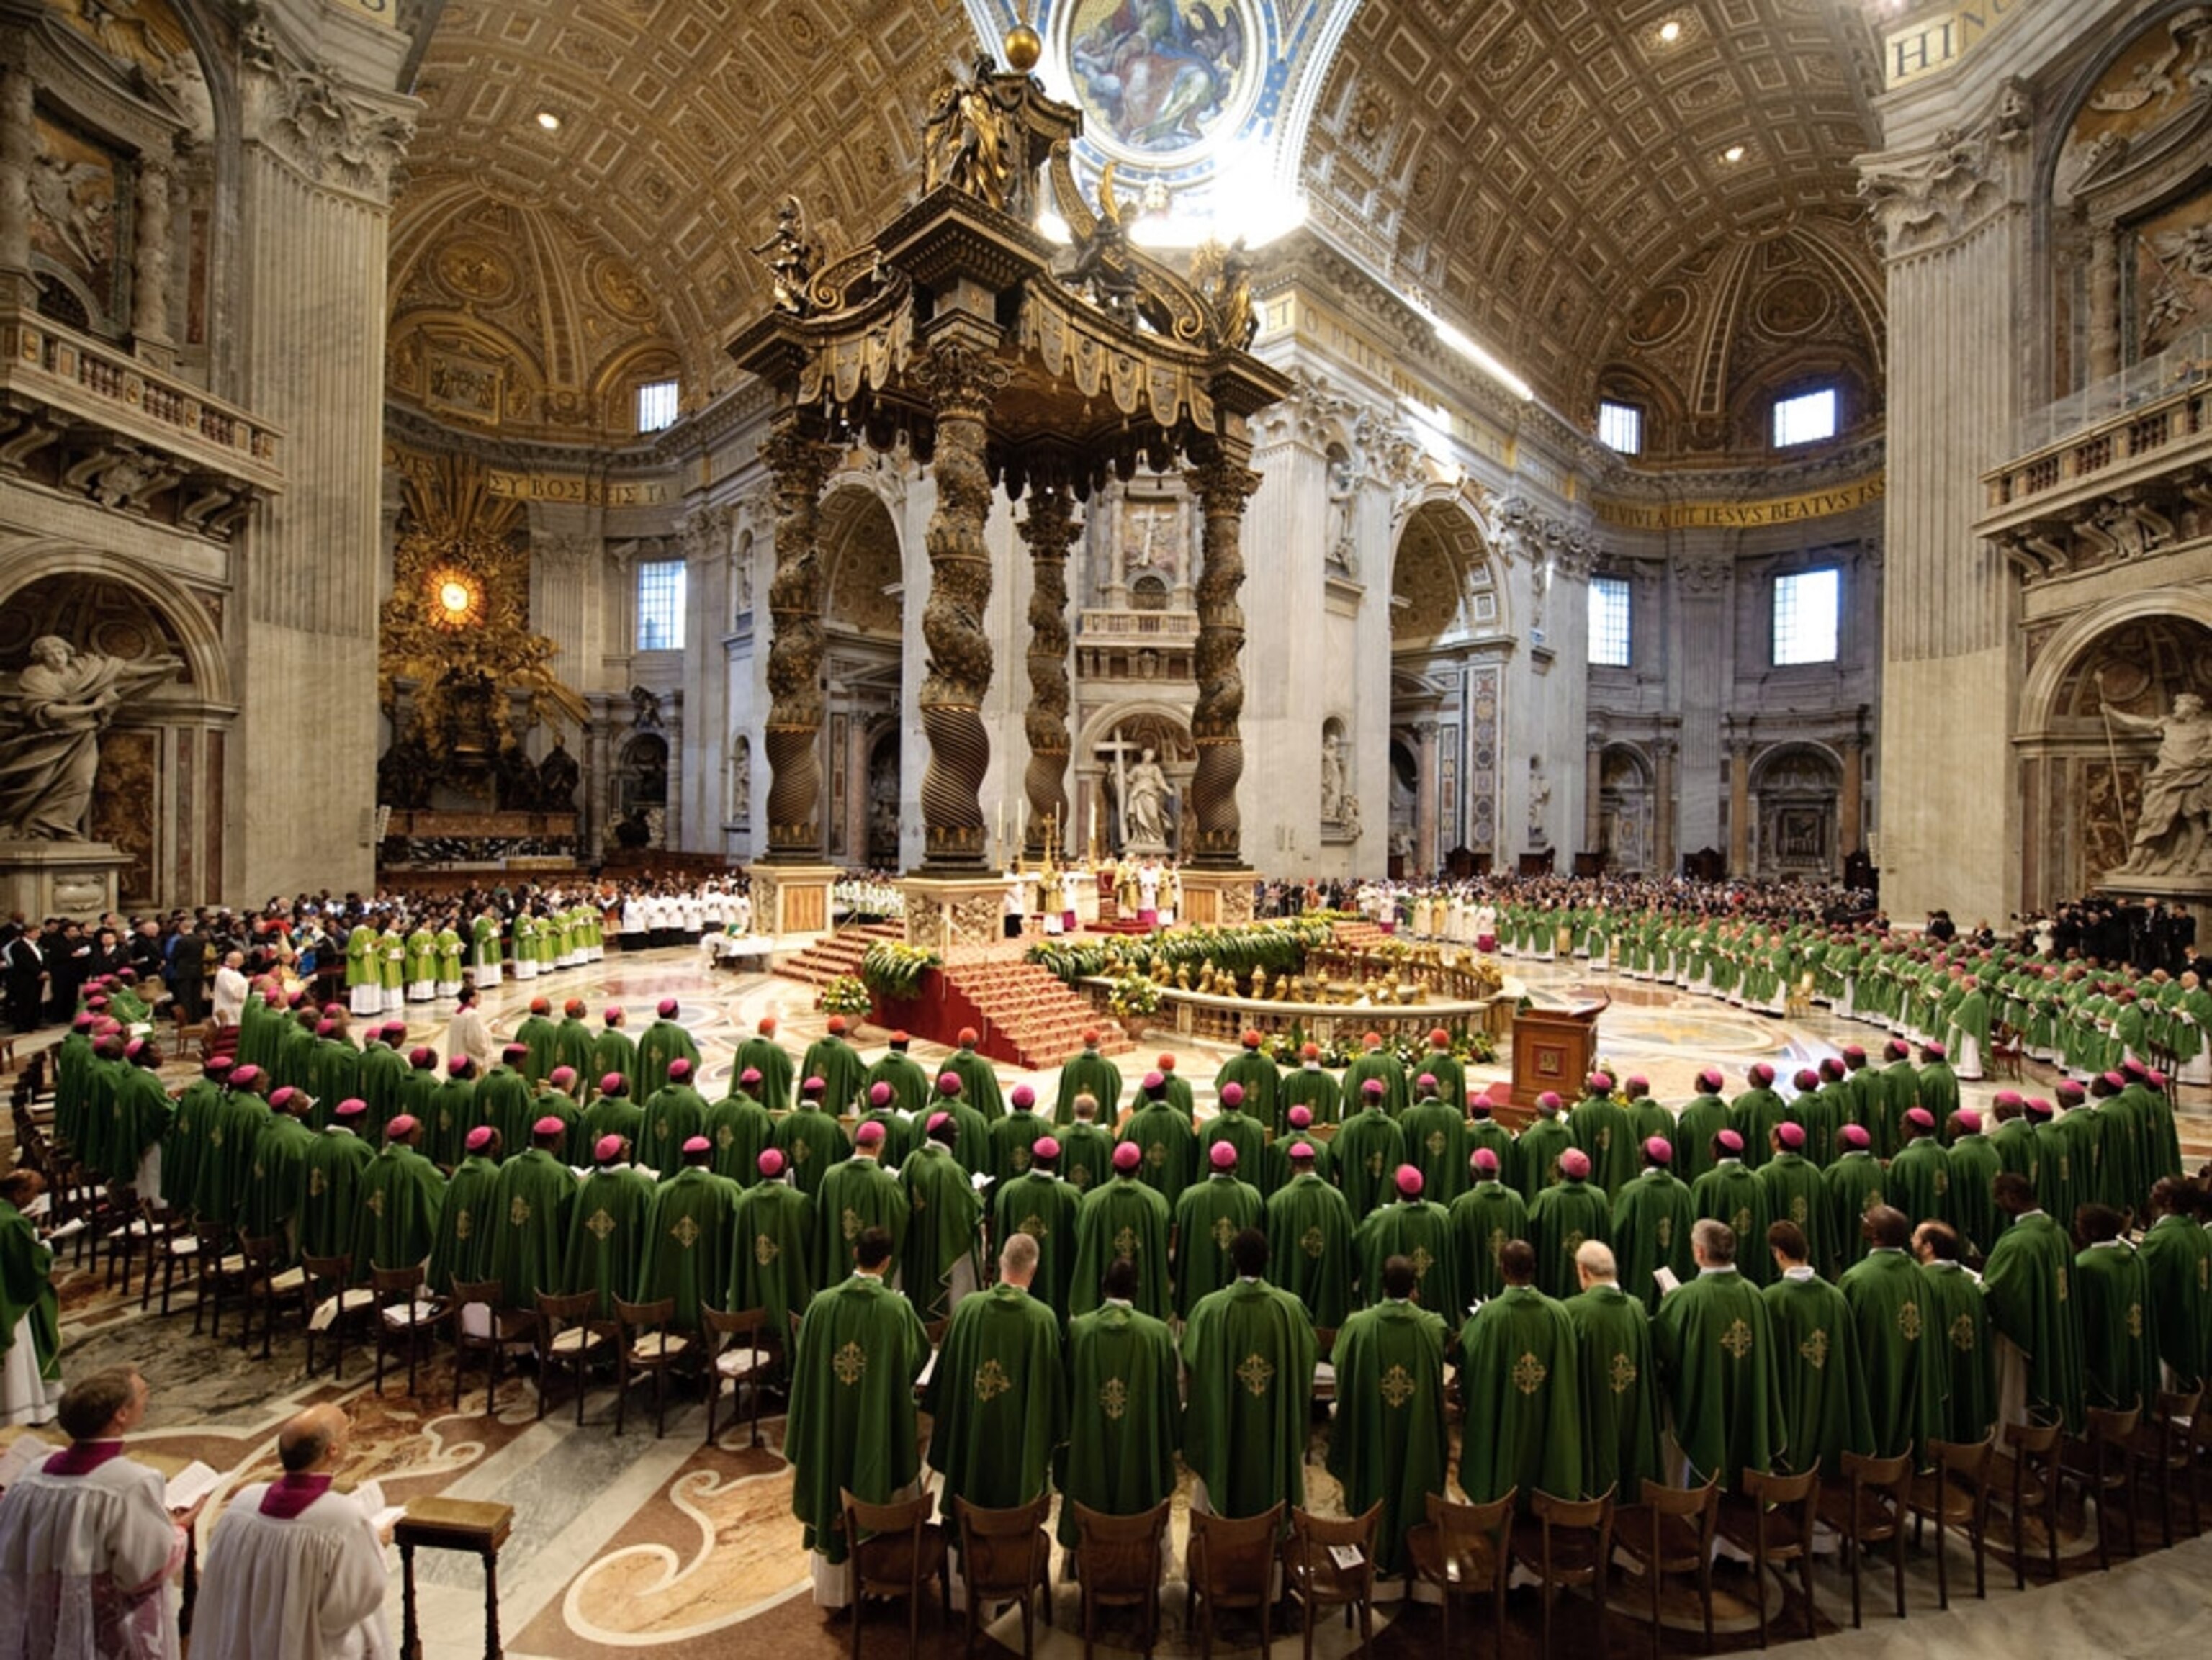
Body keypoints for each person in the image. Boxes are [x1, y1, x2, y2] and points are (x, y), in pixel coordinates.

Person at [0, 1367, 194, 1659]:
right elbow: (143, 1570)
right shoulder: (131, 1483)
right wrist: (178, 1530)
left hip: (45, 1621)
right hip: (102, 1629)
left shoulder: (32, 1474)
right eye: (143, 1395)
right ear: (121, 1415)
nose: (147, 1399)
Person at [192, 1404, 393, 1659]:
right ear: (332, 1450)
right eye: (346, 1431)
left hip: (249, 1643)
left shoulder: (243, 1504)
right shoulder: (344, 1518)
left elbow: (223, 1582)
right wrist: (375, 1546)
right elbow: (351, 1605)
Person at [787, 1227, 929, 1589]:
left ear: (855, 1254)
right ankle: (881, 1572)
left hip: (830, 1419)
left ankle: (835, 1589)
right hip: (875, 1423)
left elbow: (808, 1363)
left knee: (831, 1471)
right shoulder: (897, 1309)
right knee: (879, 1468)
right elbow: (918, 1357)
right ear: (886, 1262)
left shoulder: (821, 1306)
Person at [924, 1233, 1068, 1538]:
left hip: (972, 1433)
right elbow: (1051, 1397)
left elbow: (946, 1383)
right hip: (1018, 1442)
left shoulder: (967, 1310)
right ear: (1034, 1269)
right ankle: (1013, 1561)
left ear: (1000, 1262)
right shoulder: (1043, 1320)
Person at [1179, 1229, 1317, 1517]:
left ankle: (1219, 1539)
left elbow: (1191, 1360)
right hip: (1273, 1423)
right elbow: (1308, 1356)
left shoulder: (1209, 1310)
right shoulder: (1290, 1309)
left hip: (1225, 1425)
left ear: (1232, 1259)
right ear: (1269, 1258)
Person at [1328, 1254, 1448, 1574]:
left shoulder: (1357, 1326)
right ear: (1414, 1289)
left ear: (1381, 1286)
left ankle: (1373, 1551)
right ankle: (1414, 1557)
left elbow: (1339, 1363)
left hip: (1372, 1428)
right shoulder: (1433, 1327)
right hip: (1416, 1432)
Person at [1056, 1258, 1179, 1548]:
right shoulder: (1158, 1334)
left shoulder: (1079, 1332)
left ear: (1102, 1287)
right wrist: (1170, 1438)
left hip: (1089, 1446)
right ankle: (1141, 1565)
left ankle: (1087, 1561)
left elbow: (1066, 1394)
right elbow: (1169, 1400)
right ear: (1137, 1289)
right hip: (1141, 1445)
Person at [1653, 1219, 1784, 1487]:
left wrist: (1670, 1307)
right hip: (1747, 1395)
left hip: (1706, 1403)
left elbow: (1662, 1347)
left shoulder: (1688, 1298)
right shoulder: (1754, 1294)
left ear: (1700, 1252)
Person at [1455, 1239, 1582, 1505]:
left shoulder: (1489, 1316)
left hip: (1505, 1415)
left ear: (1502, 1269)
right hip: (1546, 1414)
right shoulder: (1558, 1314)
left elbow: (1467, 1360)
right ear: (1533, 1268)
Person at [1762, 1219, 1872, 1477]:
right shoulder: (1836, 1297)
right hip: (1829, 1397)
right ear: (1807, 1250)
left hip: (1791, 1400)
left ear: (1778, 1253)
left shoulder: (1772, 1299)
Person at [1838, 1206, 1946, 1463]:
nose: (1862, 1220)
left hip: (1873, 1378)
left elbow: (1844, 1345)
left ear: (1875, 1235)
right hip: (1912, 1371)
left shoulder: (1858, 1279)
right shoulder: (1920, 1275)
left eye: (1867, 1220)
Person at [1980, 1172, 2085, 1432]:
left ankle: (2014, 1440)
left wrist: (1972, 1290)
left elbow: (2001, 1292)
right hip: (2049, 1321)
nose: (1996, 1204)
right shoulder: (2057, 1230)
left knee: (2014, 1392)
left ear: (2012, 1197)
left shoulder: (2019, 1243)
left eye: (1998, 1197)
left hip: (2020, 1337)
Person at [1560, 1240, 1663, 1505]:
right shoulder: (1637, 1309)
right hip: (1631, 1409)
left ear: (1583, 1271)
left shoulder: (1572, 1312)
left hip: (1592, 1413)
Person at [1913, 1220, 1996, 1445]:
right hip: (1968, 1368)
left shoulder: (1921, 1282)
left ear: (1928, 1247)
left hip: (1937, 1372)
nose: (1912, 1240)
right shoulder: (1972, 1283)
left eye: (1916, 1237)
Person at [1069, 1141, 1172, 1320]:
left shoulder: (1091, 1201)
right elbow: (1163, 1241)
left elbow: (1081, 1239)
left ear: (1112, 1165)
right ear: (1140, 1168)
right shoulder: (1157, 1202)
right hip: (1143, 1293)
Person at [2073, 1203, 2159, 1414]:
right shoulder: (2135, 1257)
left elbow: (2076, 1319)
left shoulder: (2086, 1266)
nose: (2076, 1228)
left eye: (2079, 1224)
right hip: (2130, 1344)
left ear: (2093, 1231)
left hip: (2102, 1354)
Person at [1264, 1137, 1354, 1329]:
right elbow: (1349, 1244)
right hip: (1328, 1289)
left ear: (1291, 1165)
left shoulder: (1277, 1202)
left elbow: (1269, 1252)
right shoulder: (1337, 1199)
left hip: (1291, 1283)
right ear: (1315, 1164)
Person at [0, 1170, 60, 1427]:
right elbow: (31, 1265)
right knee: (17, 1356)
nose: (36, 1199)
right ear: (18, 1193)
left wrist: (33, 1236)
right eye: (33, 1193)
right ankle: (20, 1410)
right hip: (10, 1302)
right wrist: (46, 1248)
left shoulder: (8, 1216)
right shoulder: (12, 1222)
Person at [1611, 1136, 1696, 1313]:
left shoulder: (1632, 1191)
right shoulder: (1683, 1191)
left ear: (1642, 1158)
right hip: (1676, 1271)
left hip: (1639, 1274)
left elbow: (1617, 1235)